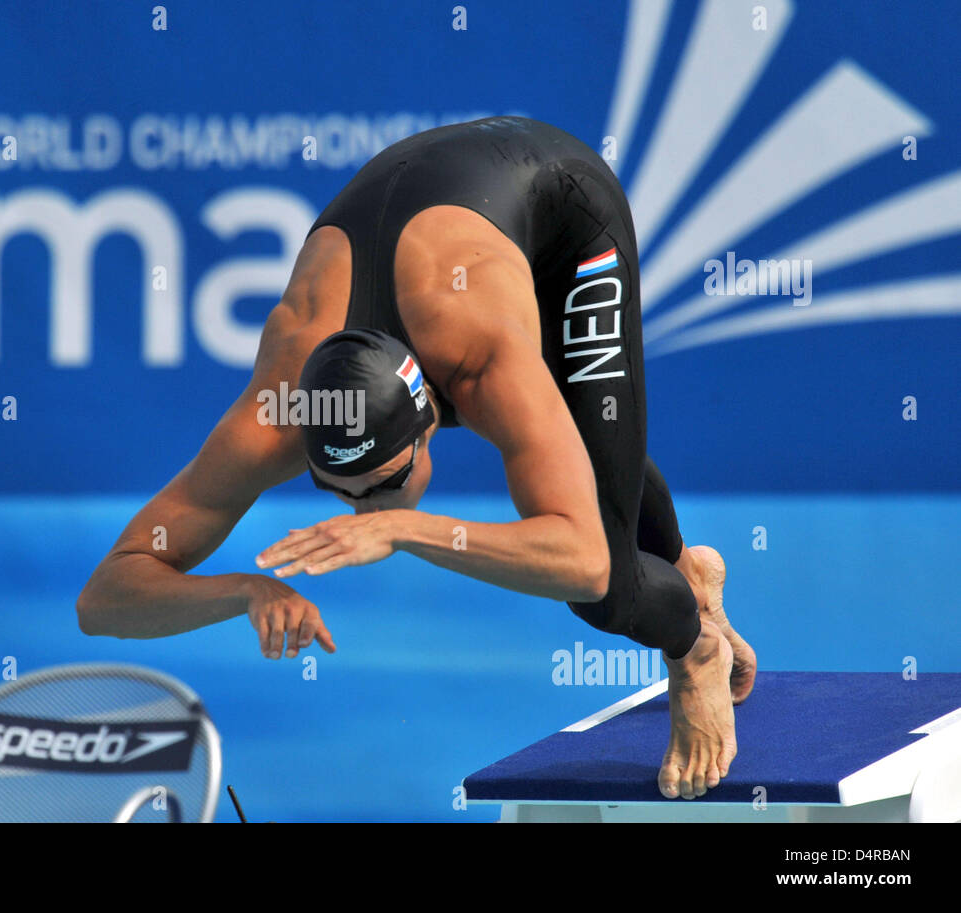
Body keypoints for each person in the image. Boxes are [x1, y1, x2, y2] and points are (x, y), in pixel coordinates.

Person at [77, 116, 757, 800]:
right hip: (442, 210)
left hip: (562, 208)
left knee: (607, 588)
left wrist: (404, 528)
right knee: (570, 461)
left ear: (432, 423)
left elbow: (584, 561)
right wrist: (245, 589)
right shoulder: (275, 414)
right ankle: (686, 573)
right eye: (338, 490)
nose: (359, 510)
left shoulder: (484, 363)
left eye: (381, 486)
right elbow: (103, 597)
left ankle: (695, 648)